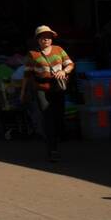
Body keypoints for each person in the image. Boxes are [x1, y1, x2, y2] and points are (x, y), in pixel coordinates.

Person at [28, 25, 74, 163]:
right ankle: (52, 150)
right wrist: (24, 92)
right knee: (48, 118)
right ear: (38, 39)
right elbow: (27, 74)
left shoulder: (58, 50)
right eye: (43, 37)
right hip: (42, 89)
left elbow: (70, 64)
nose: (46, 39)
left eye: (48, 37)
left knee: (59, 117)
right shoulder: (32, 54)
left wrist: (64, 71)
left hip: (58, 89)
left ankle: (57, 138)